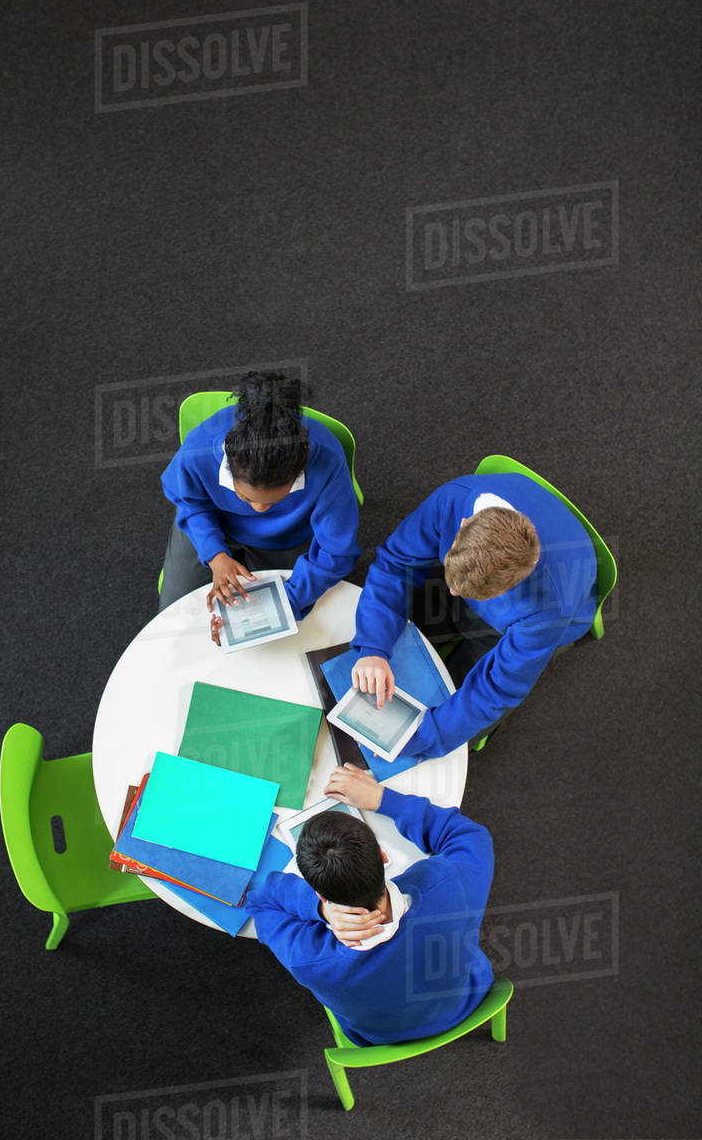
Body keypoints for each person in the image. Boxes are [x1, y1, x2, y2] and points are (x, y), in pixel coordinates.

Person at [350, 472, 598, 756]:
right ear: (463, 524)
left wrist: (422, 738)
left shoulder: (550, 605)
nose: (453, 592)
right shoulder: (453, 500)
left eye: (471, 593)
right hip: (496, 582)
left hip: (520, 625)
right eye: (452, 579)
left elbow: (495, 689)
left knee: (455, 690)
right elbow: (395, 563)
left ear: (513, 585)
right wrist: (373, 647)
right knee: (406, 626)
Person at [245, 763, 494, 1046]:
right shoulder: (447, 885)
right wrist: (381, 799)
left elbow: (260, 903)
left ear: (320, 894)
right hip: (465, 1000)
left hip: (379, 1034)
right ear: (383, 856)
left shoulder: (310, 959)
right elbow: (471, 837)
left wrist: (319, 910)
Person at [158, 371, 361, 639]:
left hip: (287, 538)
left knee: (301, 627)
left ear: (299, 471)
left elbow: (336, 550)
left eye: (276, 501)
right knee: (178, 617)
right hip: (210, 522)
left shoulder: (328, 462)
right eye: (245, 498)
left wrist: (286, 602)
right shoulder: (199, 449)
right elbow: (188, 500)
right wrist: (215, 555)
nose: (258, 510)